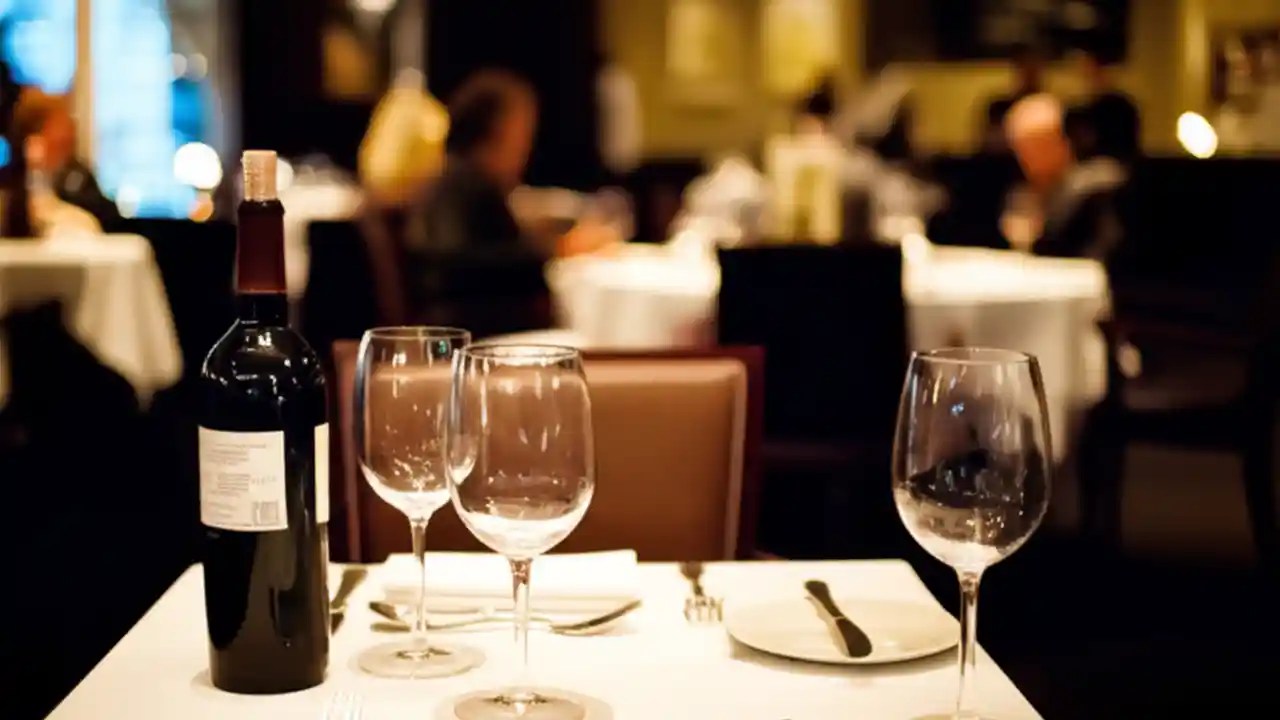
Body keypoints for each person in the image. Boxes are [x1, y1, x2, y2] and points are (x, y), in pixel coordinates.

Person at [412, 70, 613, 259]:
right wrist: (562, 248)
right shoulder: (465, 186)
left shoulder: (458, 176)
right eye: (521, 137)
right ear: (493, 133)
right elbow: (474, 264)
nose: (525, 150)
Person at [1003, 94, 1125, 260]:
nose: (1030, 158)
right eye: (1022, 150)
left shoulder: (1097, 186)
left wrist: (1036, 236)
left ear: (1065, 141)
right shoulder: (1021, 195)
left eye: (1040, 146)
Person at [11, 89, 117, 232]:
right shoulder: (13, 181)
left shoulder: (78, 174)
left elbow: (107, 216)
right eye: (61, 123)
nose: (70, 131)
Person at [1070, 44, 1140, 161]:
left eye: (1089, 70)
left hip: (1111, 167)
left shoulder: (1122, 108)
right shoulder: (1082, 110)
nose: (1086, 77)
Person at [982, 43, 1044, 153]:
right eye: (1025, 66)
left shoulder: (1052, 108)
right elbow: (990, 145)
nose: (1030, 72)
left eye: (1034, 66)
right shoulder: (1000, 108)